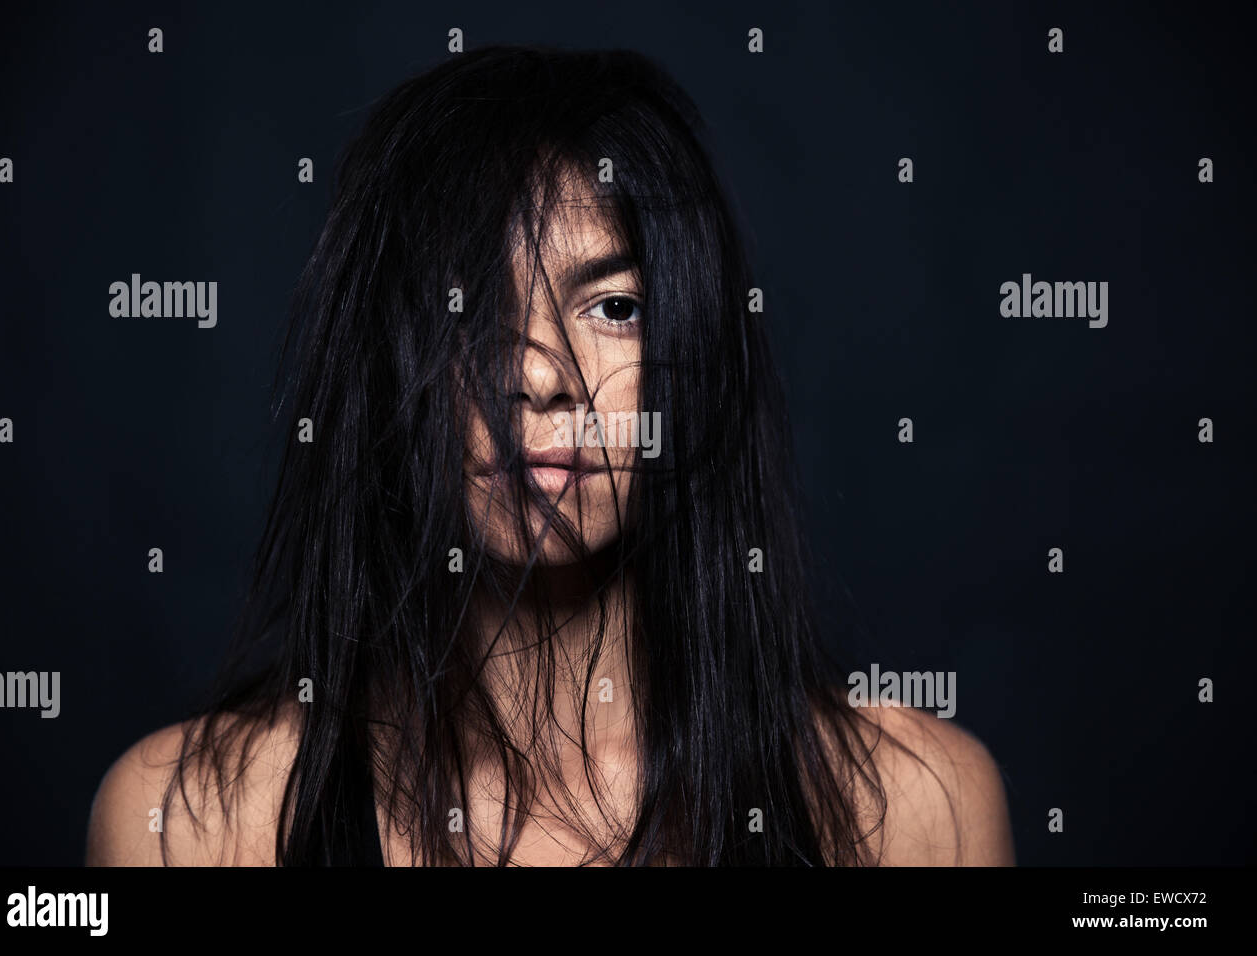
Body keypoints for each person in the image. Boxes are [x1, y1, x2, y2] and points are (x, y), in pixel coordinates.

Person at [85, 45, 1014, 866]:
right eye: (469, 307)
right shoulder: (188, 828)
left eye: (615, 308)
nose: (540, 377)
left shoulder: (921, 815)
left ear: (696, 353)